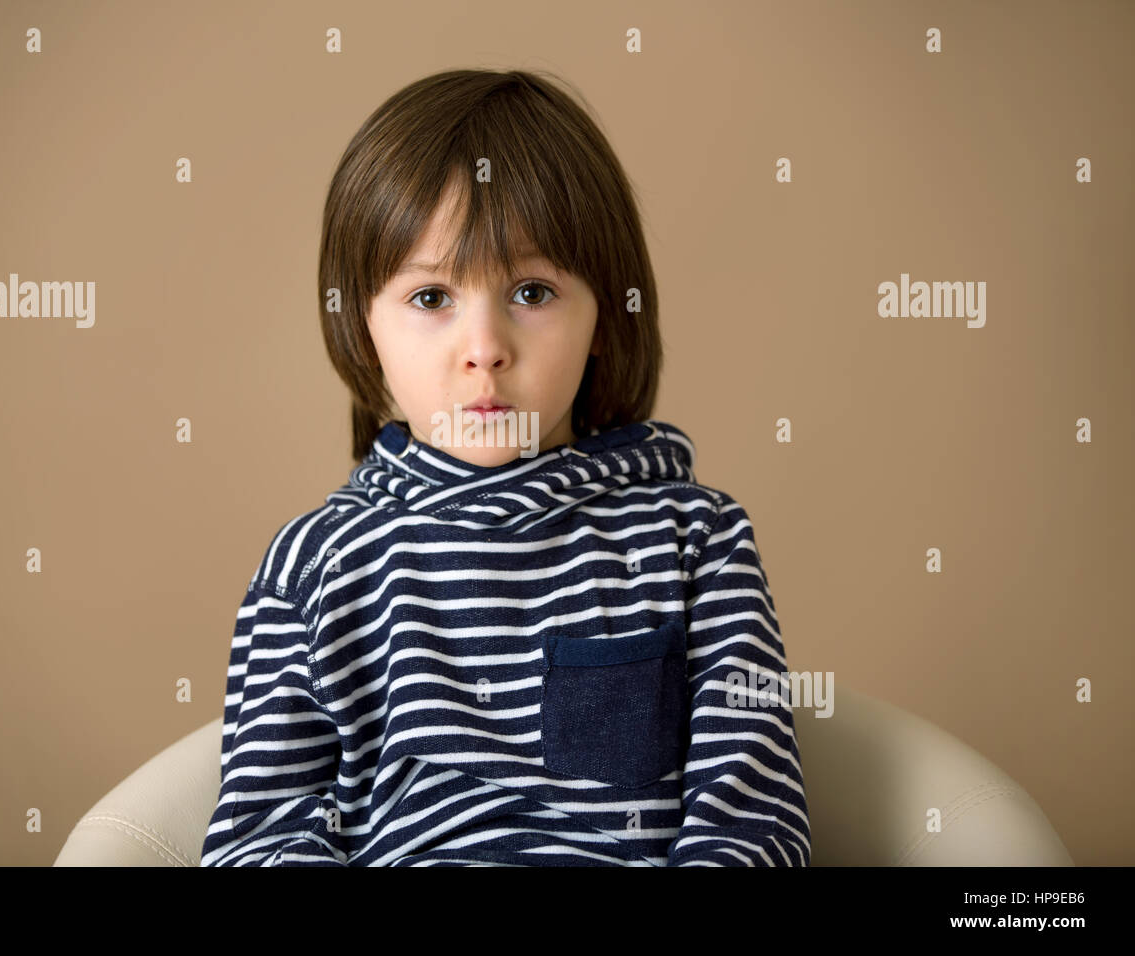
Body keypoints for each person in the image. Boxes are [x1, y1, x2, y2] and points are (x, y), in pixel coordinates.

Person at [200, 68, 810, 866]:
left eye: (531, 290)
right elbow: (260, 837)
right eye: (430, 299)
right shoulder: (315, 567)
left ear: (604, 318)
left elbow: (751, 824)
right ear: (362, 329)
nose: (484, 347)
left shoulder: (697, 542)